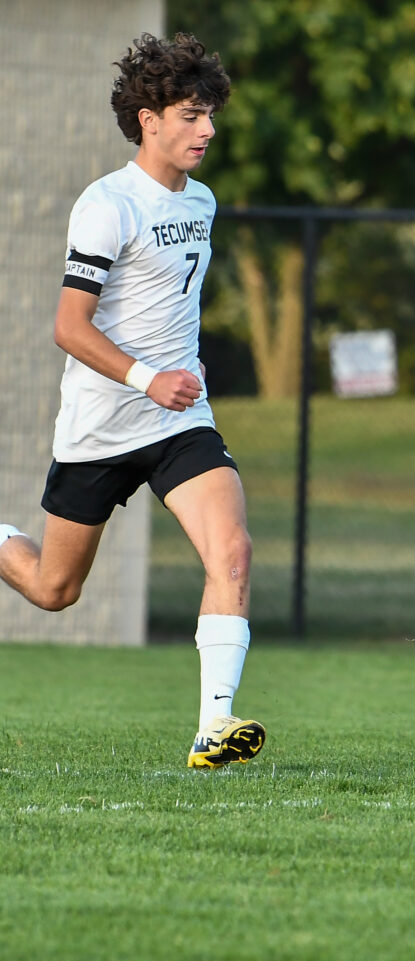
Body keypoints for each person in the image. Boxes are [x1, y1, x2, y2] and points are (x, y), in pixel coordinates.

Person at [0, 33, 261, 769]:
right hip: (102, 421)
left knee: (233, 552)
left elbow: (170, 300)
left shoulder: (203, 201)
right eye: (190, 115)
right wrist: (148, 375)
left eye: (210, 114)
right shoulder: (107, 205)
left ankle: (215, 727)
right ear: (148, 120)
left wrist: (182, 368)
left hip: (179, 420)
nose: (206, 130)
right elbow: (68, 327)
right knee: (55, 590)